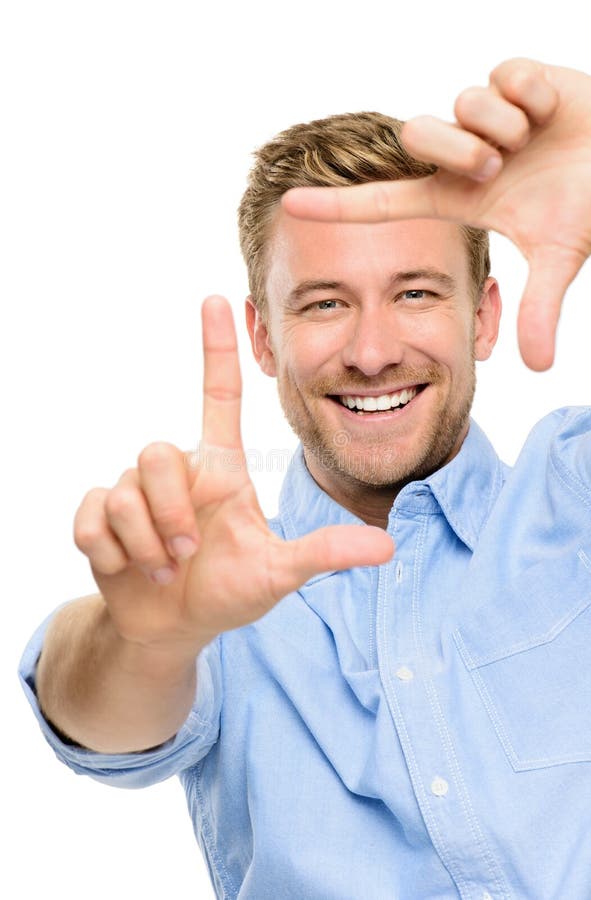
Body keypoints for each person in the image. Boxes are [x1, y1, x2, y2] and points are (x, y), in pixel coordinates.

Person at [19, 57, 591, 899]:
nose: (370, 352)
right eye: (323, 303)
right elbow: (96, 722)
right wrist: (148, 635)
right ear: (262, 338)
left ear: (483, 315)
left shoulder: (570, 491)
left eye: (415, 293)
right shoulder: (217, 581)